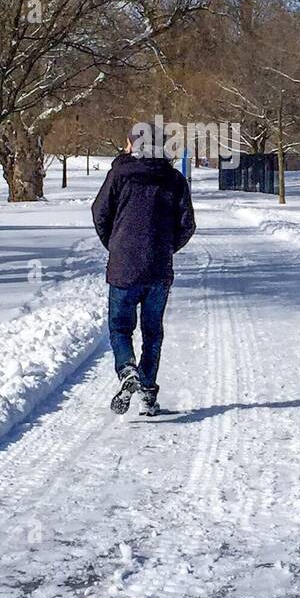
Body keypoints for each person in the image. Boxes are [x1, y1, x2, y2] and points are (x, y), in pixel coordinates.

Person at [92, 124, 196, 416]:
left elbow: (99, 213)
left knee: (120, 327)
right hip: (158, 269)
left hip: (124, 267)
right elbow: (187, 224)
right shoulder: (174, 179)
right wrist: (164, 249)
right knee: (152, 332)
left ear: (133, 145)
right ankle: (148, 392)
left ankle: (127, 370)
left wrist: (115, 244)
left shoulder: (119, 175)